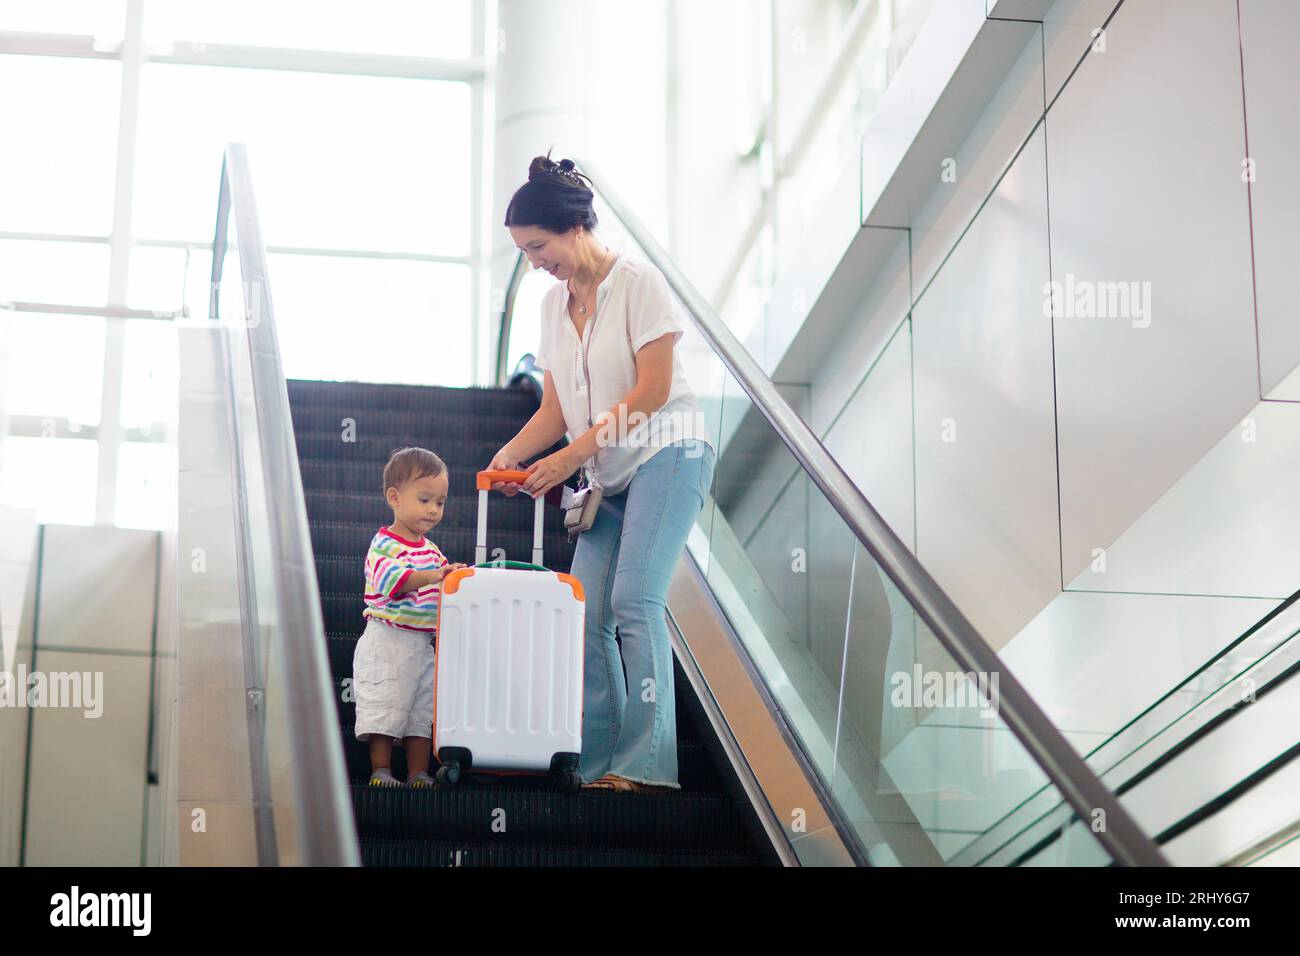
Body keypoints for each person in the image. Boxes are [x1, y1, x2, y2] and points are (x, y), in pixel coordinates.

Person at [488, 152, 716, 791]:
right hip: (610, 472)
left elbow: (652, 392)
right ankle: (598, 767)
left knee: (633, 600)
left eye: (539, 246)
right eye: (525, 253)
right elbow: (555, 412)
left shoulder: (637, 284)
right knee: (584, 613)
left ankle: (645, 767)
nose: (535, 262)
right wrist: (512, 454)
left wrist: (571, 456)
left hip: (670, 451)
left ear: (573, 228)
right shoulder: (552, 309)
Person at [352, 446, 466, 788]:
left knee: (420, 712)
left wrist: (454, 577)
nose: (433, 509)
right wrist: (433, 576)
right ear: (394, 498)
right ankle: (381, 771)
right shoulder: (384, 543)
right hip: (387, 639)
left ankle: (418, 773)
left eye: (440, 502)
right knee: (386, 706)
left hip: (421, 644)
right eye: (424, 499)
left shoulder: (431, 550)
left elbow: (441, 582)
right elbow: (393, 583)